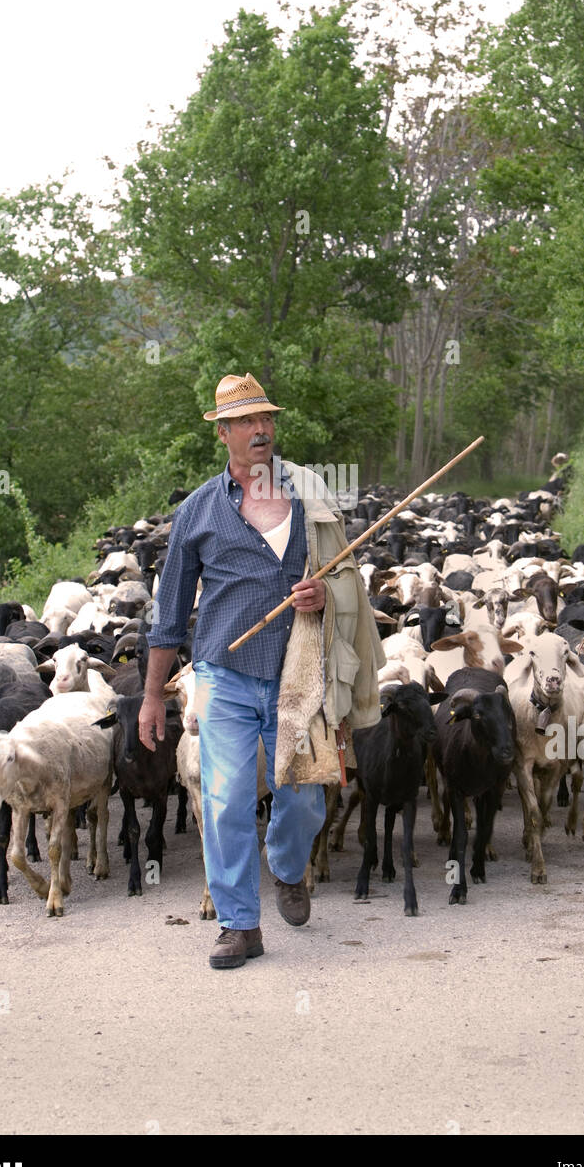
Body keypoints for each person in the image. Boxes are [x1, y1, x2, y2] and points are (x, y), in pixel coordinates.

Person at [138, 372, 384, 970]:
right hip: (224, 674)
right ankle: (239, 924)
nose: (261, 430)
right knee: (223, 801)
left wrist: (326, 596)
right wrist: (150, 698)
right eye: (246, 422)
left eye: (266, 419)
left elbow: (344, 574)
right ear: (222, 433)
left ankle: (287, 865)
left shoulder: (311, 495)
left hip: (299, 674)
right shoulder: (197, 511)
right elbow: (170, 613)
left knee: (301, 798)